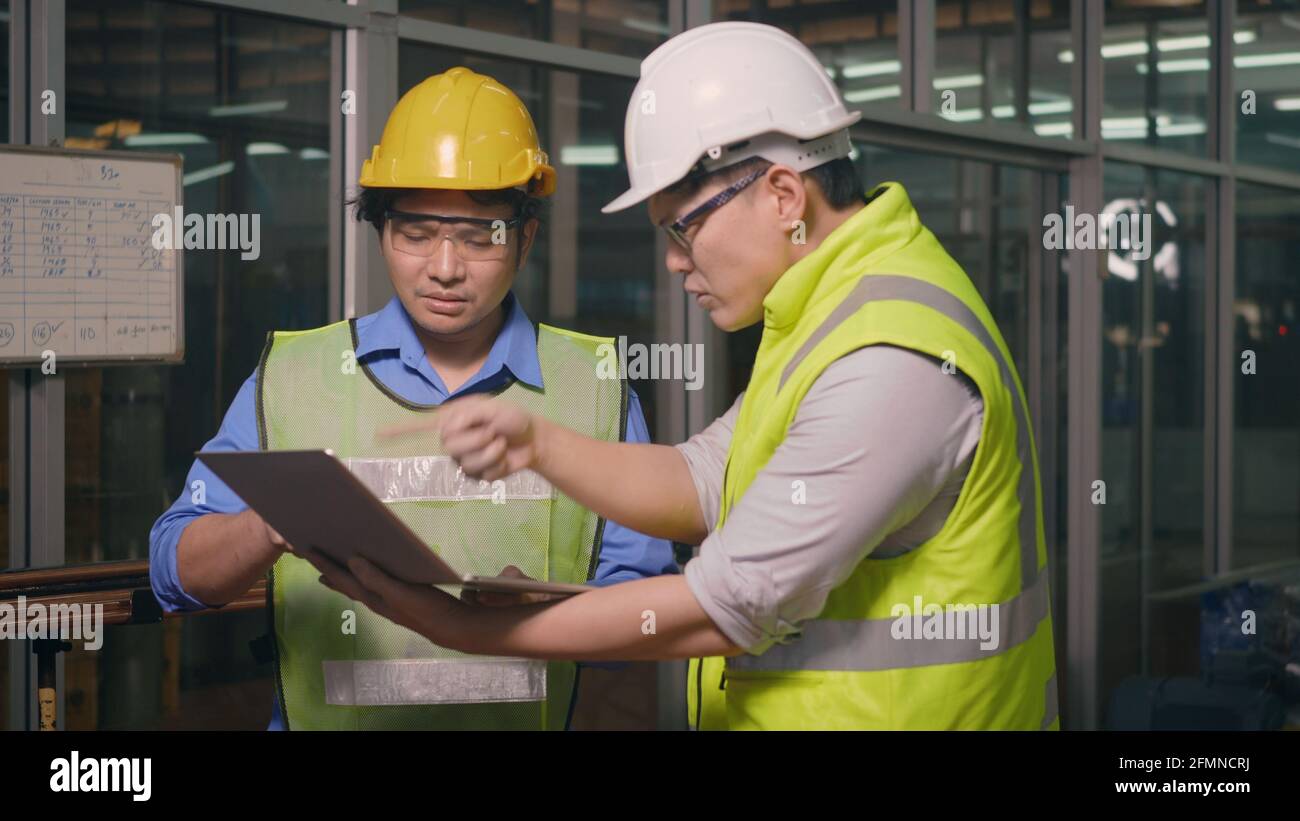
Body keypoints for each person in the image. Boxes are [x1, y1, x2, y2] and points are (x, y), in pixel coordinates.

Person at [307, 22, 1059, 731]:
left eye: (682, 227)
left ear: (783, 195)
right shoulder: (833, 309)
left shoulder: (889, 358)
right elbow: (700, 481)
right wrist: (536, 442)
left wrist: (467, 628)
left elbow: (727, 604)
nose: (673, 260)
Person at [148, 67, 676, 730]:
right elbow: (174, 568)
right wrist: (266, 526)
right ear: (379, 231)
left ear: (527, 237)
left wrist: (553, 608)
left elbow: (651, 614)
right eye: (416, 234)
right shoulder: (294, 375)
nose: (445, 267)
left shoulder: (592, 387)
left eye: (480, 236)